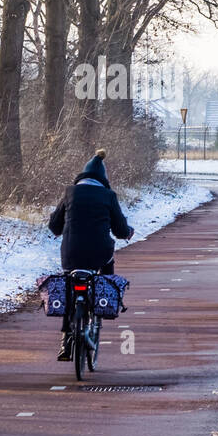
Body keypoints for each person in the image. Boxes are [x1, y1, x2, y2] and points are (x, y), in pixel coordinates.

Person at [48, 148, 134, 360]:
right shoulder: (108, 195)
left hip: (71, 253)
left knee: (70, 285)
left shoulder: (70, 192)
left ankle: (65, 340)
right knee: (106, 267)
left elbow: (54, 226)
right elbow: (120, 230)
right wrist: (128, 232)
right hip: (99, 253)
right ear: (103, 179)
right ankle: (103, 303)